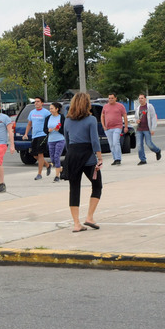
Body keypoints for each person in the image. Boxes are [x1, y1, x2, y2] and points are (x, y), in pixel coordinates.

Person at [63, 92, 103, 232]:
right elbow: (94, 140)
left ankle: (76, 223)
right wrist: (100, 158)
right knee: (97, 185)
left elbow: (67, 141)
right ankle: (89, 217)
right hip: (88, 156)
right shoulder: (91, 119)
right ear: (87, 104)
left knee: (74, 188)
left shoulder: (67, 120)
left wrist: (71, 154)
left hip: (72, 155)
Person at [21, 96, 52, 179]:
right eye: (35, 102)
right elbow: (29, 124)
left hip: (43, 135)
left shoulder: (46, 112)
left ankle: (39, 174)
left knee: (40, 154)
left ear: (42, 103)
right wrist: (26, 134)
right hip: (34, 135)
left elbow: (50, 122)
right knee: (34, 155)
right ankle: (47, 165)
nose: (36, 103)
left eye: (38, 101)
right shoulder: (32, 112)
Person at [100, 93, 128, 165]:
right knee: (111, 144)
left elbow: (125, 116)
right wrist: (103, 126)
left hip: (117, 127)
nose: (110, 99)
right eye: (109, 98)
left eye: (112, 98)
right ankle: (115, 158)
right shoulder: (105, 107)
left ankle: (118, 158)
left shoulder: (120, 106)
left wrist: (126, 126)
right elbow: (102, 116)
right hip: (108, 128)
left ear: (115, 98)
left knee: (116, 142)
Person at [134, 94, 162, 165]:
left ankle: (157, 151)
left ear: (145, 99)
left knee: (149, 144)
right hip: (139, 129)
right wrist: (136, 121)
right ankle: (143, 159)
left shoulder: (149, 107)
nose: (140, 99)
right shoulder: (138, 108)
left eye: (142, 98)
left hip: (147, 128)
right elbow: (136, 117)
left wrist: (153, 128)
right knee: (139, 145)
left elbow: (153, 117)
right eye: (139, 98)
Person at [46, 102, 66, 181]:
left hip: (60, 139)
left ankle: (57, 176)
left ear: (57, 109)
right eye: (50, 108)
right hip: (51, 140)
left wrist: (59, 130)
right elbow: (44, 129)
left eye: (52, 108)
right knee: (52, 158)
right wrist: (48, 130)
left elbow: (64, 128)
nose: (50, 110)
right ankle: (60, 170)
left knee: (57, 156)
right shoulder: (48, 118)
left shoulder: (61, 117)